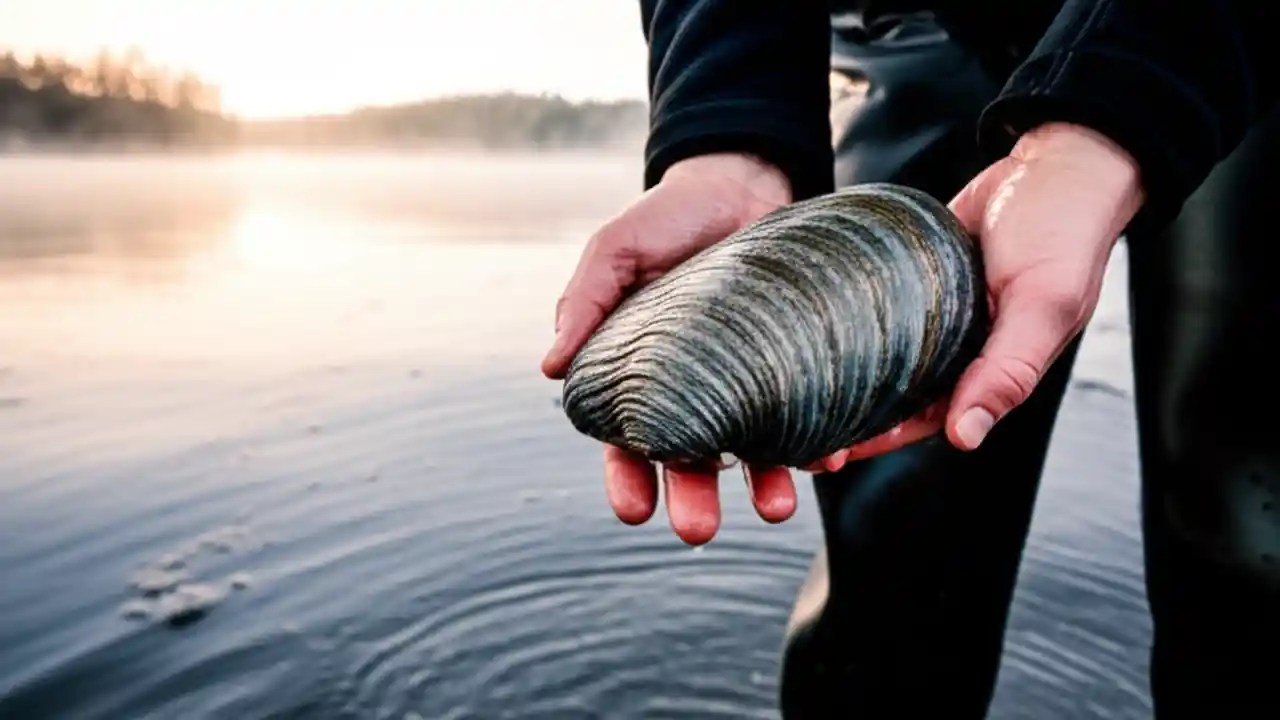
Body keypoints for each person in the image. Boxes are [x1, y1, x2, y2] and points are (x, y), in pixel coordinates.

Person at [540, 1, 1279, 717]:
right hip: (926, 23)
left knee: (1249, 534)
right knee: (894, 549)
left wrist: (1111, 114)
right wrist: (729, 127)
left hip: (1239, 41)